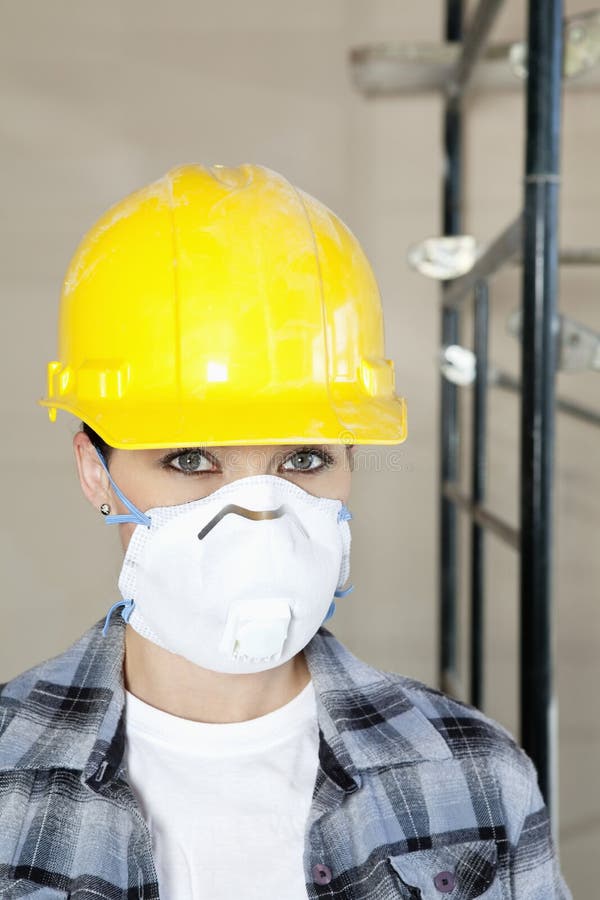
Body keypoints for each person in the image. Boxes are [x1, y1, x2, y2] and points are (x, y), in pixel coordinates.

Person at [0, 164, 570, 899]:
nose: (258, 516)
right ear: (93, 470)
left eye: (304, 458)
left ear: (351, 462)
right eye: (190, 459)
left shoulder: (475, 783)